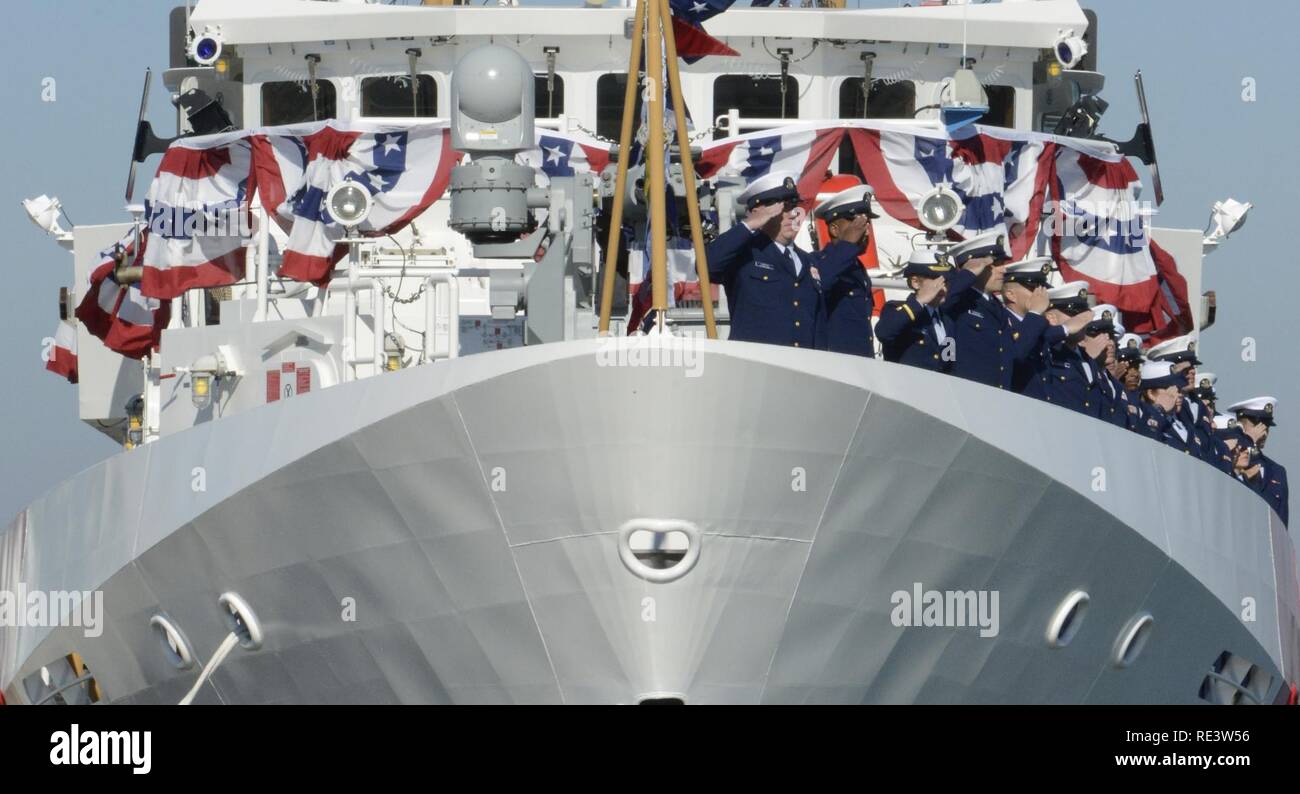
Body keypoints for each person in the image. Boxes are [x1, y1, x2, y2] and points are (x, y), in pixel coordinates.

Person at [706, 171, 829, 348]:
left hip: (803, 368)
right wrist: (750, 224)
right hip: (758, 367)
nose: (792, 214)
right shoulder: (745, 253)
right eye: (782, 208)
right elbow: (707, 266)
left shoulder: (808, 261)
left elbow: (818, 325)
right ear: (757, 211)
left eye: (793, 206)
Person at [944, 234, 1059, 390]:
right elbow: (943, 303)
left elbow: (1016, 353)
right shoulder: (960, 300)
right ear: (975, 266)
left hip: (997, 397)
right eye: (995, 264)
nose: (1004, 270)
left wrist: (1035, 316)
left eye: (1002, 263)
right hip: (966, 394)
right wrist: (966, 275)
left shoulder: (996, 308)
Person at [810, 186, 877, 357]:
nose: (865, 230)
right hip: (835, 363)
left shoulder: (856, 266)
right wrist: (848, 245)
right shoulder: (815, 262)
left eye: (867, 223)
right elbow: (819, 284)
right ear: (834, 229)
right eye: (857, 223)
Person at [1020, 282, 1105, 417]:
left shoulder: (1087, 359)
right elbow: (1021, 348)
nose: (1082, 320)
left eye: (1083, 314)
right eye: (1074, 314)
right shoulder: (1042, 350)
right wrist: (1064, 329)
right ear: (1051, 318)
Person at [875, 250, 955, 370]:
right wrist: (919, 301)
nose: (943, 288)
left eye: (946, 282)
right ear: (915, 282)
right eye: (936, 281)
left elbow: (949, 362)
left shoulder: (947, 321)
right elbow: (884, 333)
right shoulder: (896, 310)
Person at [1226, 396, 1288, 526]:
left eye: (1266, 427)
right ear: (1240, 426)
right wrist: (1248, 441)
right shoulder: (1229, 461)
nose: (1263, 433)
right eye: (1257, 425)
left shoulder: (1277, 471)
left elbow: (1282, 525)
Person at [1135, 360, 1206, 457]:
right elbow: (1148, 448)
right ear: (1151, 394)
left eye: (1179, 389)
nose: (1179, 394)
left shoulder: (1183, 423)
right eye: (1173, 389)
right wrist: (1159, 410)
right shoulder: (1143, 417)